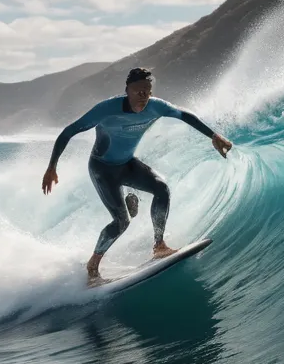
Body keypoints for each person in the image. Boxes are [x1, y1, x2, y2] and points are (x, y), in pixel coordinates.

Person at [41, 67, 233, 282]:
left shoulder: (156, 106)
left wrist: (214, 136)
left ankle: (159, 245)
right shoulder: (107, 109)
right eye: (138, 90)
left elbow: (185, 115)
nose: (143, 96)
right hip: (102, 169)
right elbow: (69, 131)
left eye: (148, 91)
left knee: (161, 189)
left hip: (127, 164)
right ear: (127, 90)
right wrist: (52, 167)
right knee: (121, 221)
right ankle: (93, 264)